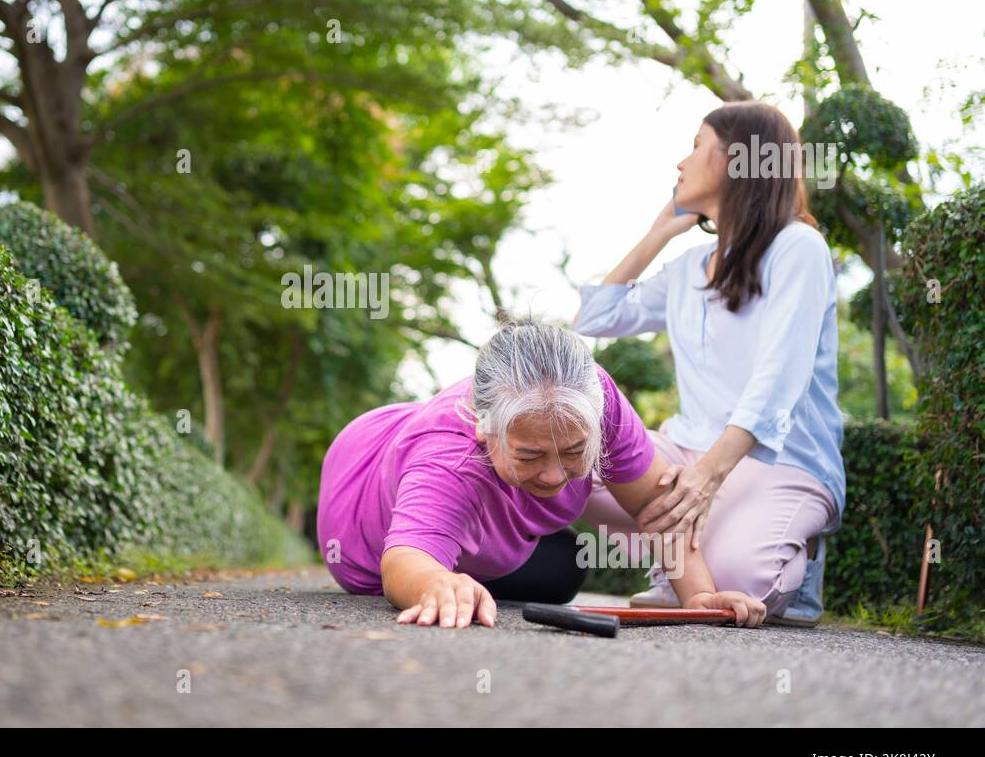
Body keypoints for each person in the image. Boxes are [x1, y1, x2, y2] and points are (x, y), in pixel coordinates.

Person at [573, 99, 845, 627]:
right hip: (685, 447)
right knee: (569, 465)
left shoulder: (799, 248)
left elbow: (777, 381)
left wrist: (707, 476)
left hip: (780, 459)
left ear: (736, 161)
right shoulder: (688, 268)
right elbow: (595, 317)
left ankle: (801, 561)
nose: (681, 163)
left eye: (696, 146)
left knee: (739, 587)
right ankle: (679, 567)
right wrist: (658, 233)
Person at [315, 314, 767, 629]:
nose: (554, 477)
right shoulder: (446, 456)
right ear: (483, 429)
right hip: (362, 509)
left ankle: (479, 548)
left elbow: (658, 504)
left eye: (573, 452)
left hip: (469, 502)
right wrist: (435, 583)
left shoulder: (594, 396)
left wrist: (700, 598)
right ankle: (457, 562)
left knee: (563, 570)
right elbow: (404, 562)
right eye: (530, 456)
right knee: (450, 581)